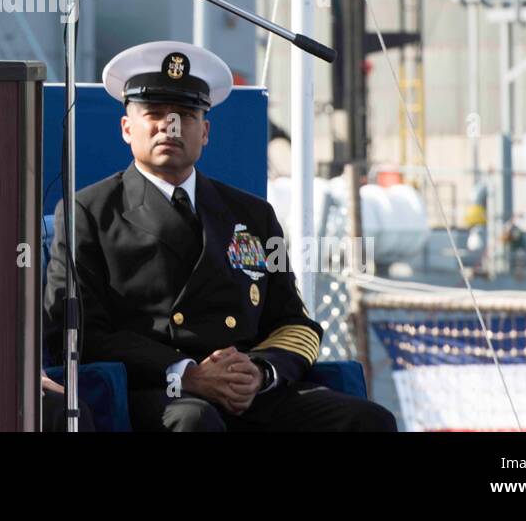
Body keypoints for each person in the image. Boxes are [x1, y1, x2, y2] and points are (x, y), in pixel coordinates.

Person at [44, 40, 397, 432]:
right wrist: (186, 372)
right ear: (127, 128)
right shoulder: (88, 213)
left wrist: (261, 371)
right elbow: (76, 332)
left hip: (248, 388)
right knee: (195, 421)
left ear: (205, 131)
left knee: (368, 421)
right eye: (155, 114)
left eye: (184, 114)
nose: (169, 126)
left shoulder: (252, 215)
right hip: (161, 390)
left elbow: (295, 323)